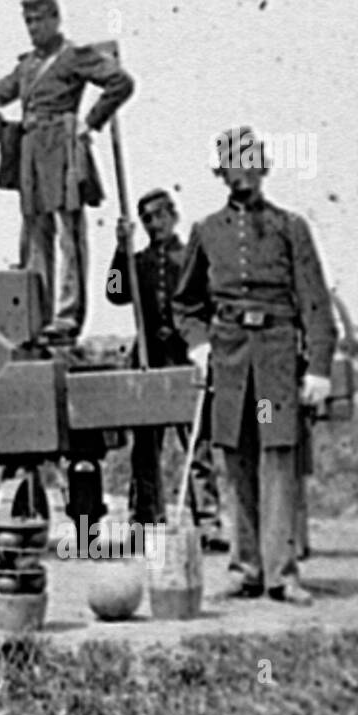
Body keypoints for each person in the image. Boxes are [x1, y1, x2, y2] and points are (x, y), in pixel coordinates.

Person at [172, 127, 336, 605]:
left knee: (277, 456)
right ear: (221, 171)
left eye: (250, 162)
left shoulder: (291, 228)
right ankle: (247, 569)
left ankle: (281, 574)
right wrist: (199, 345)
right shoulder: (206, 232)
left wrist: (320, 369)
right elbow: (185, 305)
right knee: (237, 457)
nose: (241, 172)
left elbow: (316, 305)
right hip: (230, 360)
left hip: (276, 361)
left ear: (263, 168)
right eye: (231, 164)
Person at [0, 0, 134, 341]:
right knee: (35, 236)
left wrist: (91, 123)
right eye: (28, 22)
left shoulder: (74, 56)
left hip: (62, 147)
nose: (34, 28)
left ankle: (67, 318)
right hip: (32, 150)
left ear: (56, 19)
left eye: (39, 20)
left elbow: (121, 83)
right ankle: (38, 315)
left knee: (70, 235)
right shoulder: (27, 66)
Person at [106, 187, 227, 549]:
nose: (154, 224)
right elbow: (115, 292)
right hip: (148, 360)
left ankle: (208, 522)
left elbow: (211, 300)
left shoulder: (191, 257)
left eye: (159, 216)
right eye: (147, 219)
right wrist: (120, 250)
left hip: (184, 358)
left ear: (173, 215)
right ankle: (145, 522)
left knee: (196, 441)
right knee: (145, 447)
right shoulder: (137, 262)